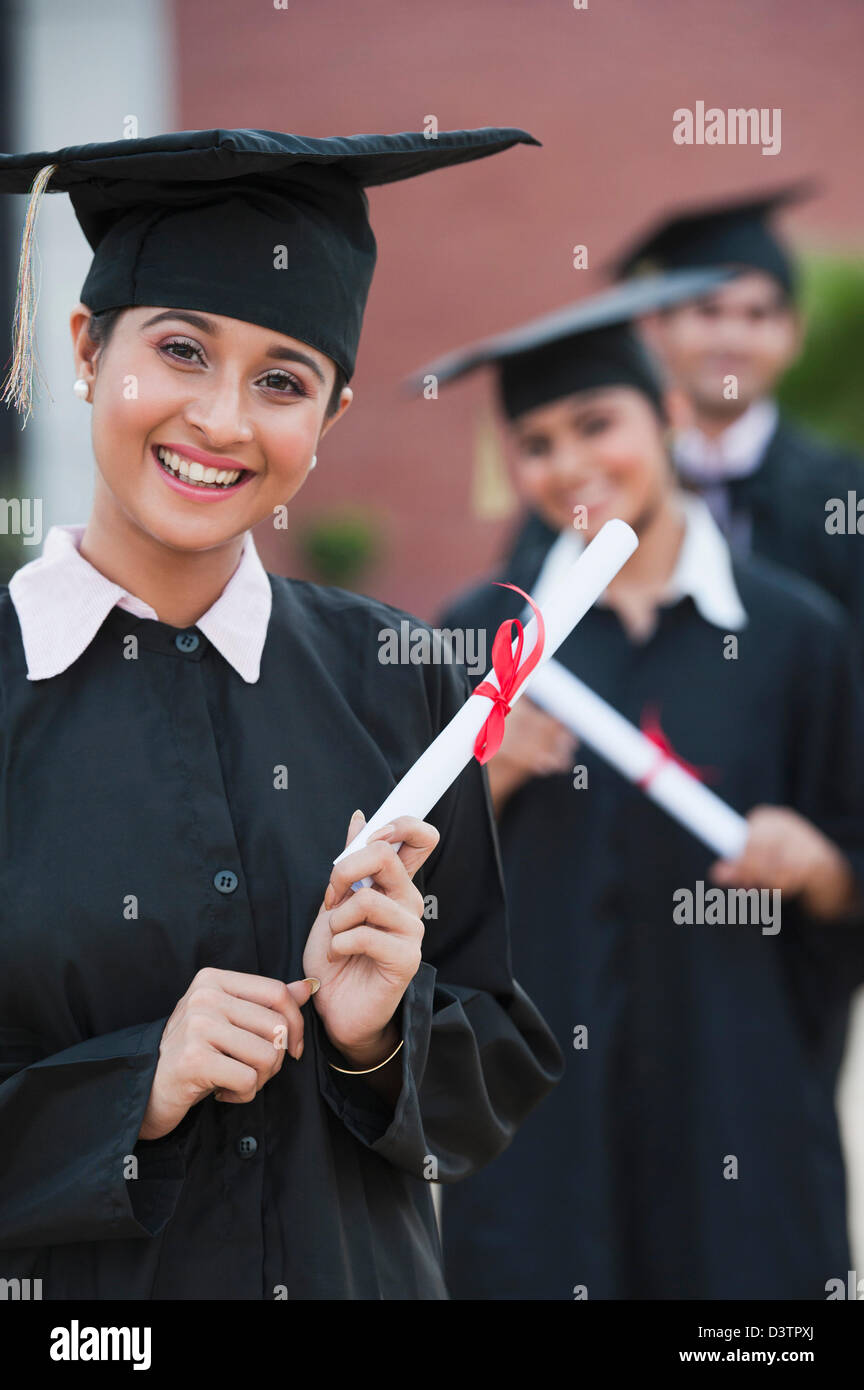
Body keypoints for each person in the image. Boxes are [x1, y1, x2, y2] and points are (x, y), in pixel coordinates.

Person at [0, 126, 563, 1301]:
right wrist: (133, 1086)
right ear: (86, 351)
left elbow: (491, 1076)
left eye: (281, 381)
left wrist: (380, 1040)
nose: (220, 419)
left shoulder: (402, 677)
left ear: (331, 416)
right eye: (181, 350)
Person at [417, 276, 864, 1299]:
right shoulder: (473, 645)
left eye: (595, 423)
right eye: (535, 443)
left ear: (668, 415)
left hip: (740, 1102)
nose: (570, 465)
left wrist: (824, 867)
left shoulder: (796, 635)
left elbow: (855, 857)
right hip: (536, 1123)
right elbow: (407, 895)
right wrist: (481, 781)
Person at [613, 186, 864, 626]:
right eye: (709, 312)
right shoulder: (607, 486)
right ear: (655, 327)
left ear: (794, 333)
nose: (732, 339)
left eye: (757, 315)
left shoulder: (845, 494)